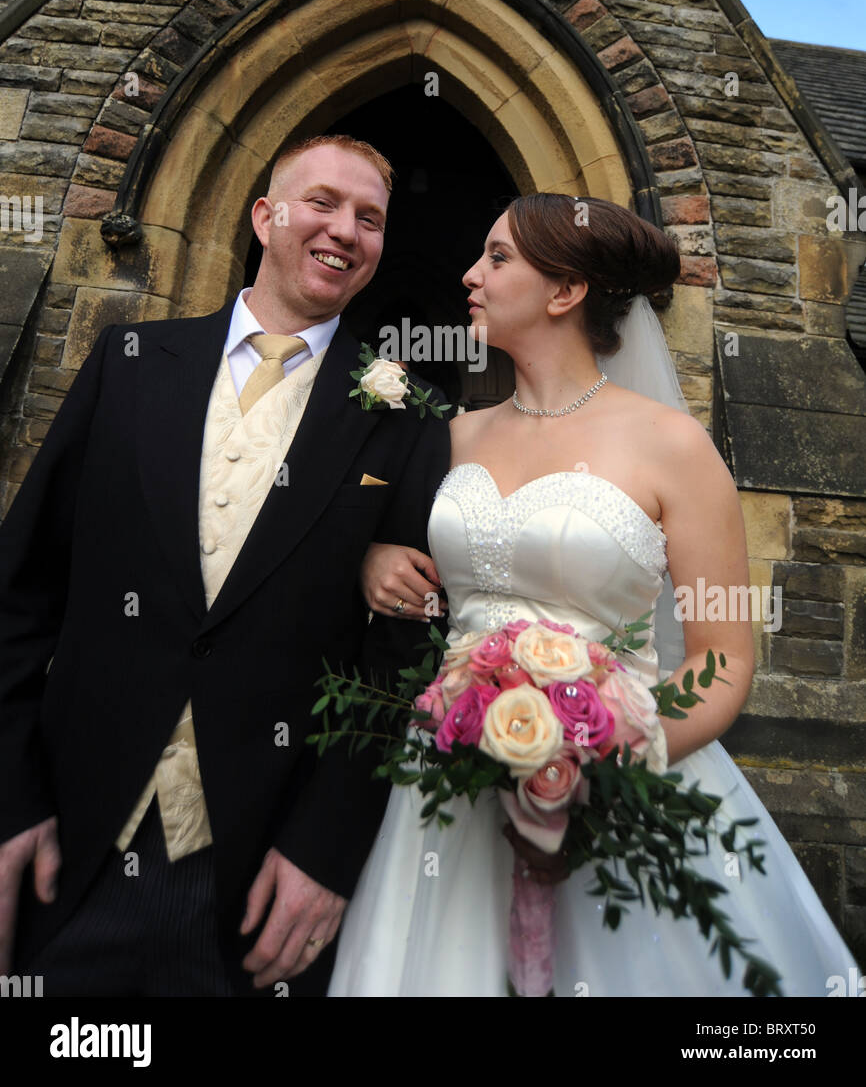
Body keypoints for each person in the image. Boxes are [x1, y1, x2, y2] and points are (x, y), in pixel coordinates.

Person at [329, 192, 862, 997]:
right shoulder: (453, 436)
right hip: (450, 782)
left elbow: (722, 660)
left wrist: (597, 766)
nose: (470, 275)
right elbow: (394, 561)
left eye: (497, 257)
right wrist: (375, 560)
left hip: (617, 784)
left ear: (566, 290)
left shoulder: (673, 446)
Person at [0, 135, 450, 997]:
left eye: (370, 218)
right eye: (322, 202)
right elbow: (21, 595)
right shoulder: (129, 364)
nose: (345, 230)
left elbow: (398, 664)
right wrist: (9, 798)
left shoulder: (412, 418)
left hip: (257, 880)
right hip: (68, 838)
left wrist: (325, 852)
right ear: (265, 216)